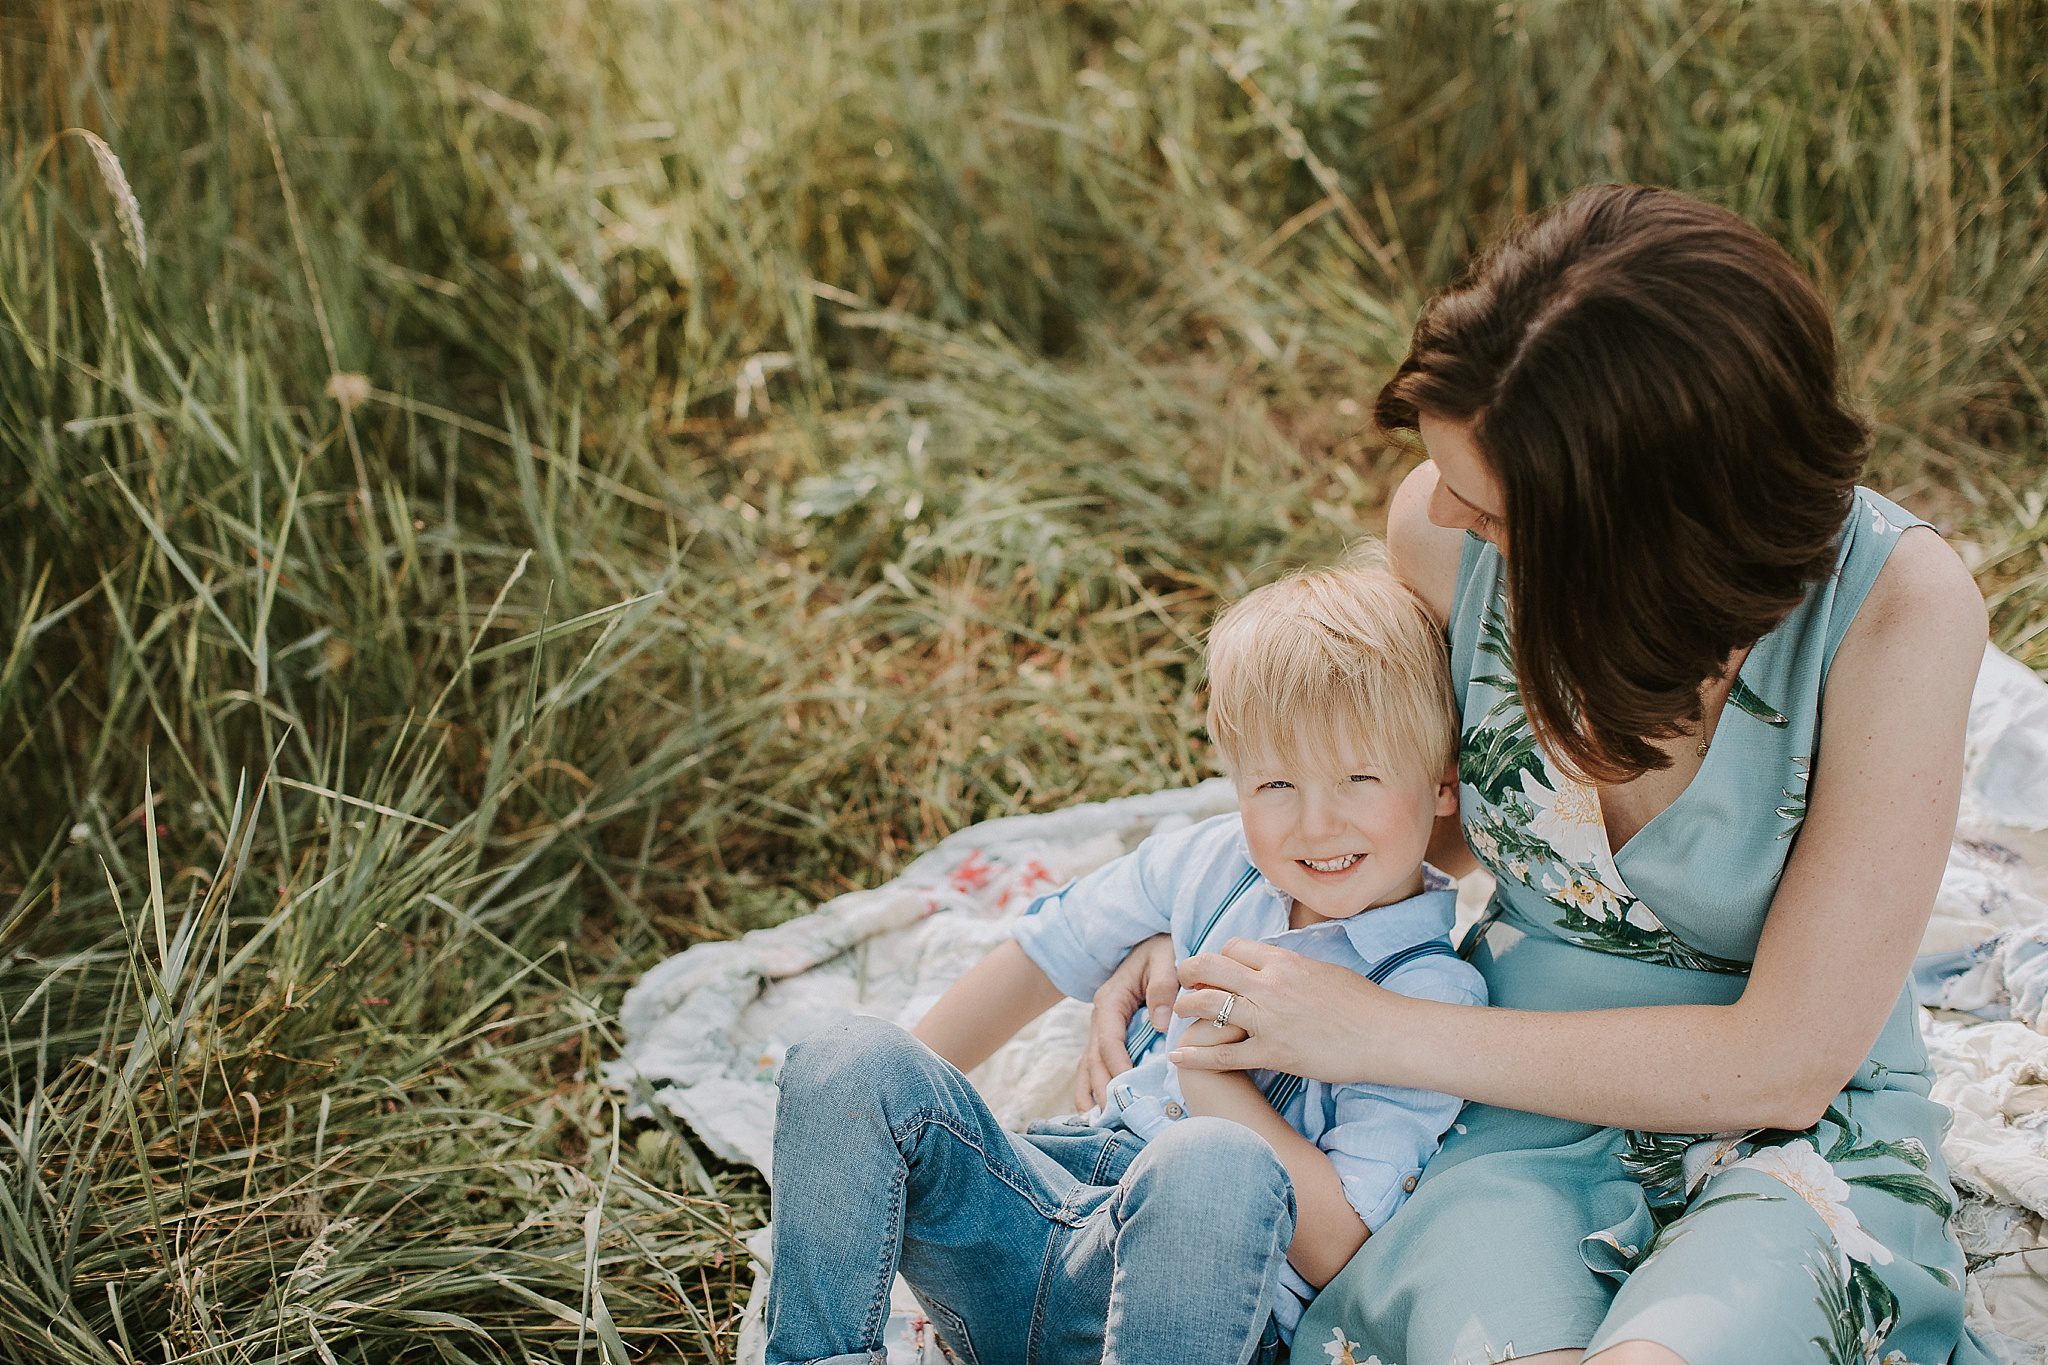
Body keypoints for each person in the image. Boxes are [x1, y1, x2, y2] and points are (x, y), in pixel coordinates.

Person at [1085, 184, 1996, 1365]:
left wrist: (1369, 1032)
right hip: (1505, 1105)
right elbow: (1411, 823)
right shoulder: (1443, 526)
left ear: (1638, 524)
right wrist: (1228, 925)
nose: (1447, 514)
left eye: (1497, 508)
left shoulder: (1893, 613)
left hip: (1794, 1125)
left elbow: (1783, 1063)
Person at [764, 560, 1489, 1365]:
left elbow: (1340, 1243)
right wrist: (890, 1125)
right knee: (847, 1059)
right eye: (1276, 782)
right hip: (1042, 1211)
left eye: (1359, 778)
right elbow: (1046, 950)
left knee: (1213, 1162)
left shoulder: (1432, 991)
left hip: (1203, 1291)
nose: (1316, 823)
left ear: (1443, 782)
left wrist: (1211, 1076)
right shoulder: (1214, 861)